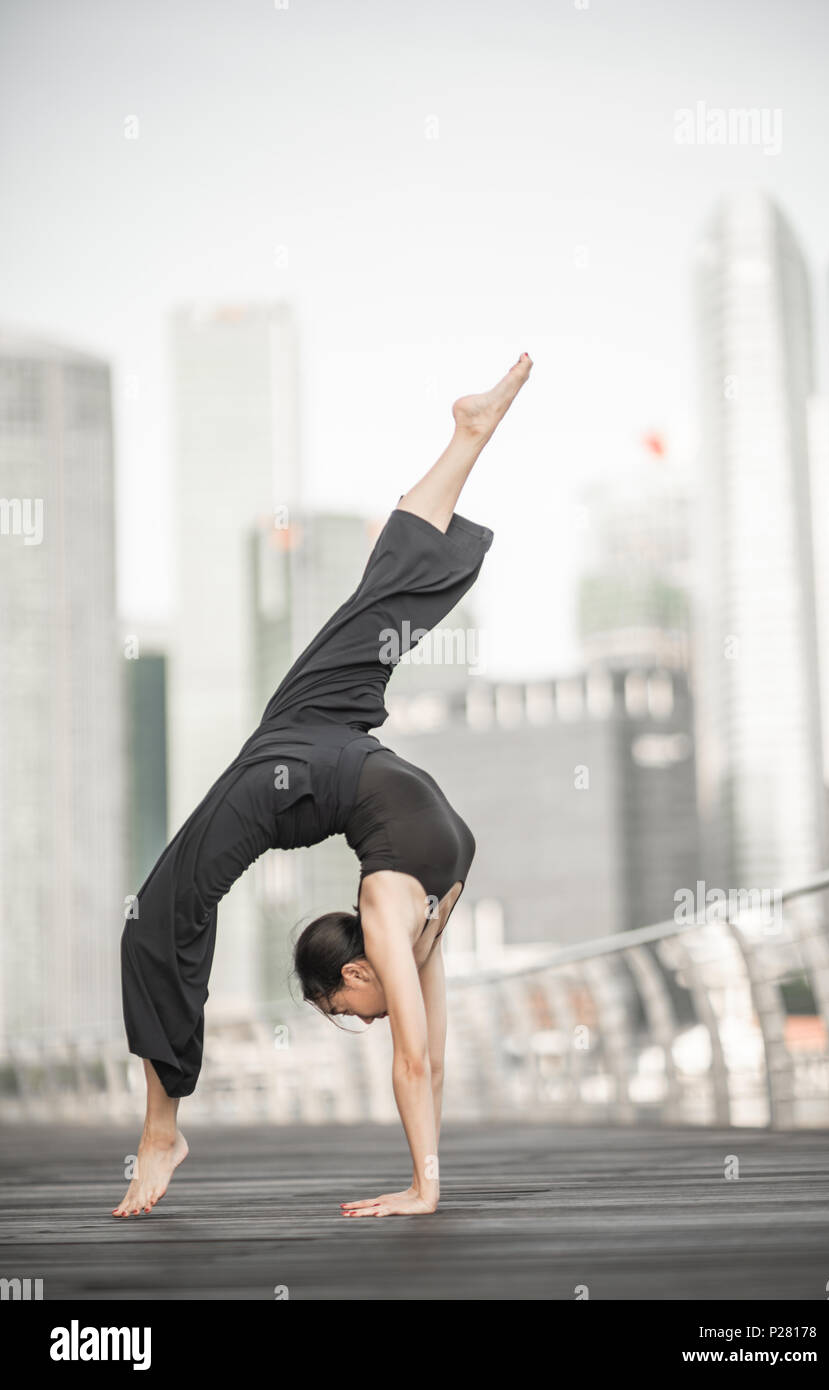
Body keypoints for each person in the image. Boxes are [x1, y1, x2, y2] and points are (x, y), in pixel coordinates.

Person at [113, 351, 533, 1219]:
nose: (364, 1018)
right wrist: (427, 1180)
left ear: (353, 968)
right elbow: (429, 1054)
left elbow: (420, 1059)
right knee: (378, 607)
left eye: (345, 1007)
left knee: (160, 913)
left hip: (303, 759)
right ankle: (465, 439)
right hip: (329, 745)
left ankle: (161, 1129)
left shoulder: (399, 910)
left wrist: (423, 1188)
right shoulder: (412, 916)